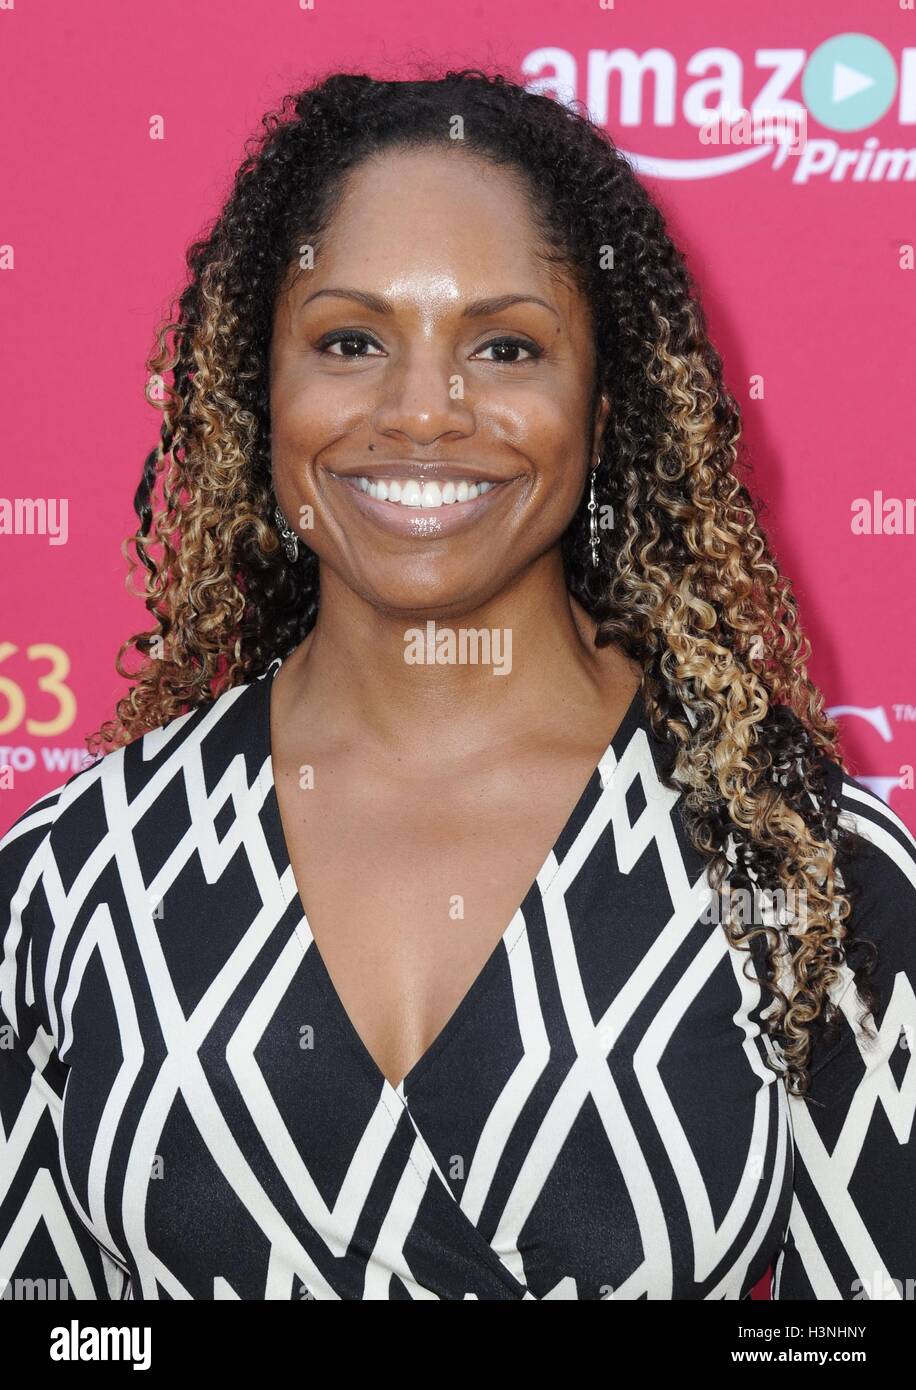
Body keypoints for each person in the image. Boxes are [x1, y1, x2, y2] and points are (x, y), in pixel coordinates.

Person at [1, 68, 914, 1302]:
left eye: (503, 345)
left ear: (601, 405)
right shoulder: (81, 871)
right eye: (350, 340)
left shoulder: (796, 859)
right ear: (255, 388)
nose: (423, 412)